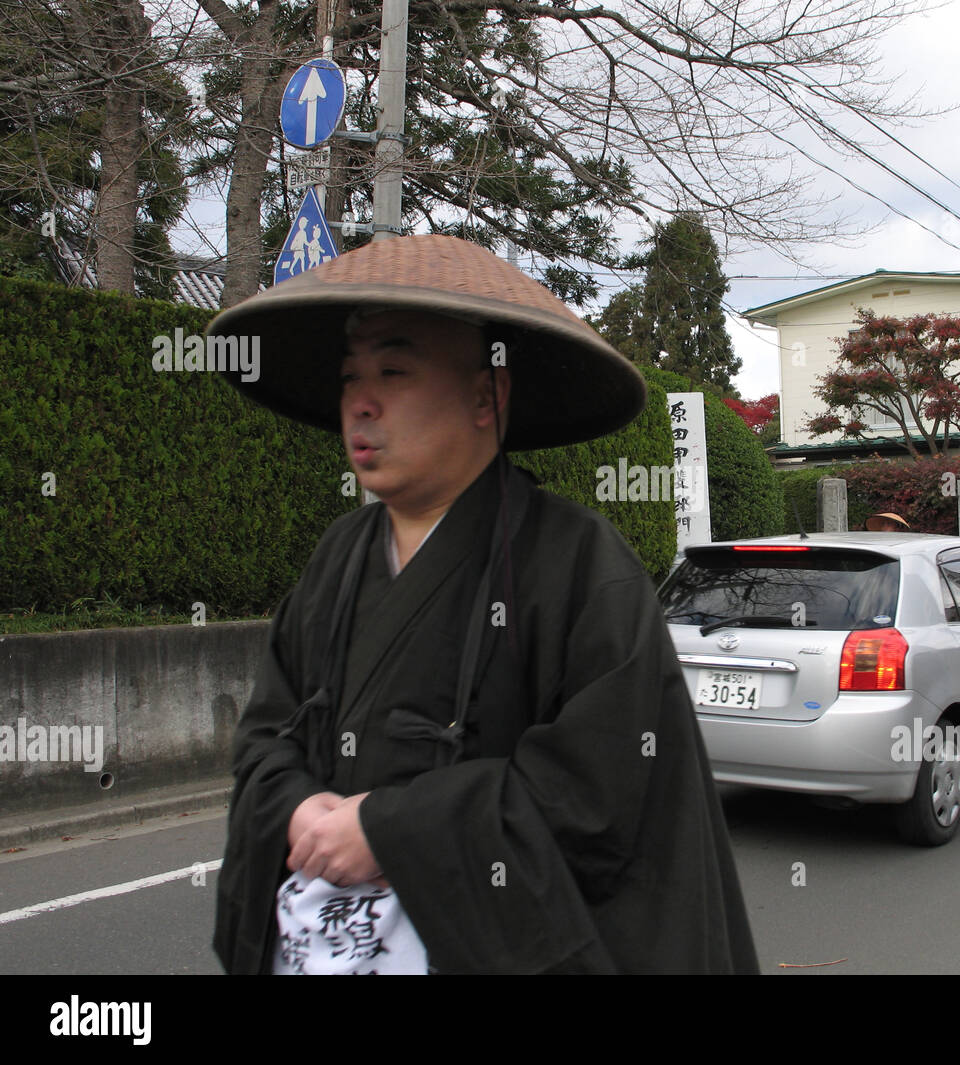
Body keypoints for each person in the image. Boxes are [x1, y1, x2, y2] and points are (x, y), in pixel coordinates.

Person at [207, 234, 758, 974]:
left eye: (394, 370)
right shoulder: (336, 559)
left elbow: (597, 797)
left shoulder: (580, 566)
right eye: (349, 378)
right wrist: (298, 810)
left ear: (484, 396)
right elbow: (267, 736)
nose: (361, 403)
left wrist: (390, 831)